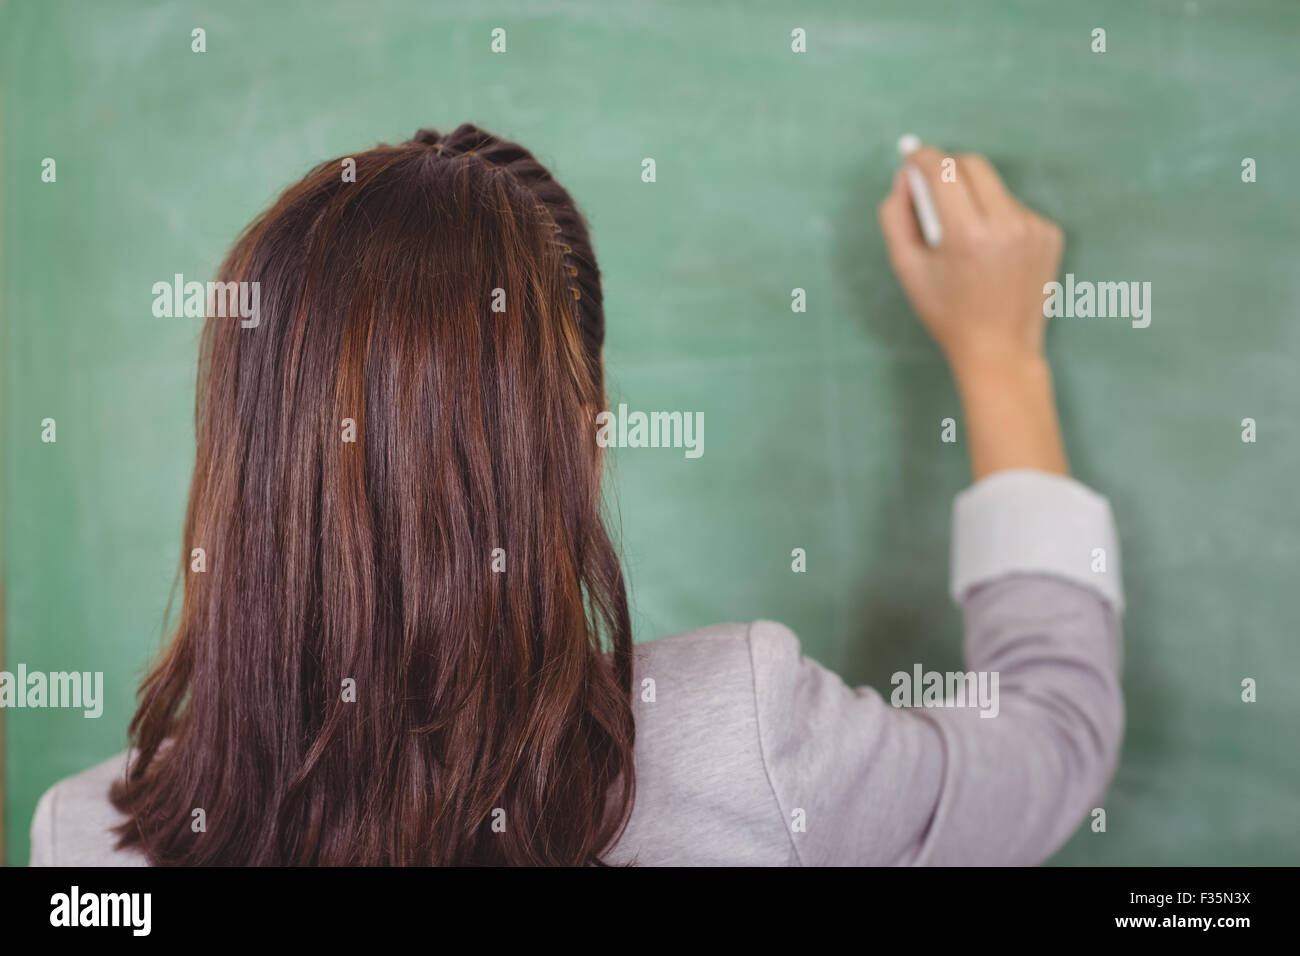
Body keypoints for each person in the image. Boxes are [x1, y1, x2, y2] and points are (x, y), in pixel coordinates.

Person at [30, 125, 1122, 866]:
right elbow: (1054, 737)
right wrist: (998, 360)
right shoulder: (739, 736)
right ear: (585, 447)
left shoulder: (80, 842)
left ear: (242, 460)